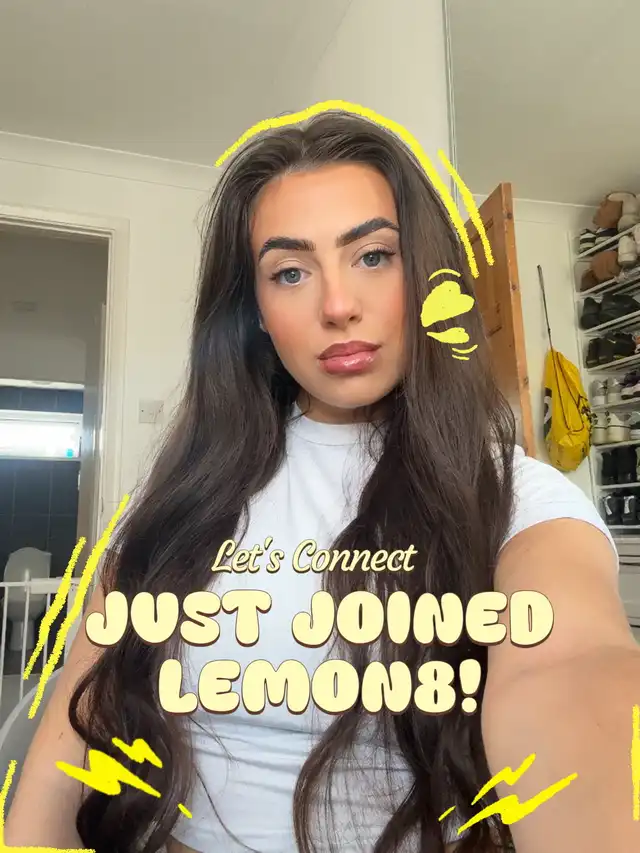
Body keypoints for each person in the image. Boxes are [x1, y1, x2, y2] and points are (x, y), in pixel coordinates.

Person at [5, 112, 638, 853]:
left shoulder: (520, 499)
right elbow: (74, 726)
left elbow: (569, 672)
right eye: (290, 272)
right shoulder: (177, 495)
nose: (338, 305)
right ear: (257, 313)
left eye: (373, 256)